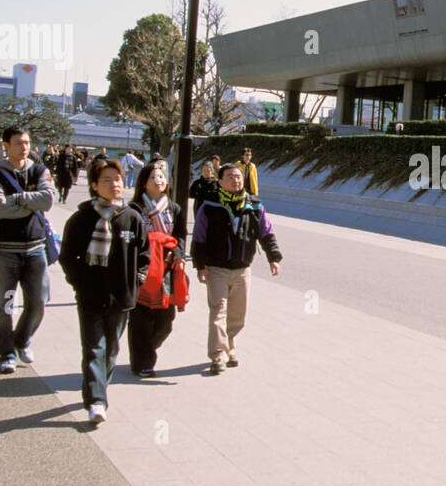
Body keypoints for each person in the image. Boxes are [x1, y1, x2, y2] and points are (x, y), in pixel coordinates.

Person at [60, 159, 148, 425]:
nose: (114, 185)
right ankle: (97, 400)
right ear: (95, 185)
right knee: (94, 347)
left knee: (111, 348)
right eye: (107, 180)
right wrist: (79, 282)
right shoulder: (82, 218)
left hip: (121, 296)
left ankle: (98, 385)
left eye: (118, 179)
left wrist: (137, 279)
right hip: (90, 294)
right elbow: (68, 256)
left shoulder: (132, 217)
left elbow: (144, 254)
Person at [192, 163, 282, 374]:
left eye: (239, 177)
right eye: (231, 177)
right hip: (216, 268)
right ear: (220, 181)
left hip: (242, 269)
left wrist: (273, 258)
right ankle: (217, 355)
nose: (236, 180)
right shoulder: (210, 205)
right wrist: (200, 265)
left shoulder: (254, 205)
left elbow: (266, 233)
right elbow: (199, 237)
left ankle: (230, 344)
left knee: (237, 314)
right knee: (218, 311)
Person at [0, 126, 55, 374]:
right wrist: (30, 201)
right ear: (5, 145)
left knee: (38, 301)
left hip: (36, 249)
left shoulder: (39, 169)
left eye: (26, 142)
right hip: (6, 250)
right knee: (4, 305)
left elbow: (47, 200)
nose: (24, 148)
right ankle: (6, 353)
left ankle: (22, 339)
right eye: (17, 143)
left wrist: (17, 198)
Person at [127, 160, 187, 378]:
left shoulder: (174, 208)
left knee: (165, 321)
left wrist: (178, 255)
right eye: (153, 177)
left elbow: (180, 236)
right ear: (143, 183)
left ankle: (146, 351)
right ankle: (142, 362)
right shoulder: (134, 209)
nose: (158, 180)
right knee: (141, 318)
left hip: (167, 268)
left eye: (161, 177)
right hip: (143, 266)